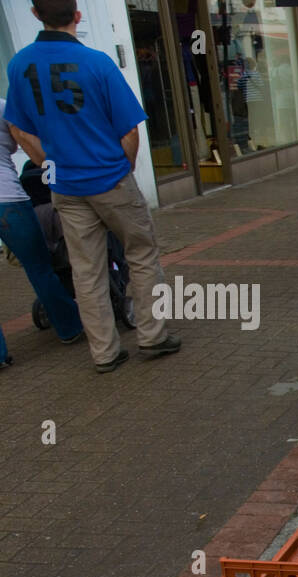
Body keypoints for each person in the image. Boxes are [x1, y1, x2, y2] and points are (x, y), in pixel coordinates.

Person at [4, 0, 178, 374]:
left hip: (65, 186)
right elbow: (129, 128)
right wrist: (124, 168)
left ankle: (105, 352)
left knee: (86, 270)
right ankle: (152, 336)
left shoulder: (18, 65)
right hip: (109, 178)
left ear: (36, 15)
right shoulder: (98, 62)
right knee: (142, 253)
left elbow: (19, 128)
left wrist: (46, 164)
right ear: (77, 15)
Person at [2, 97, 86, 367]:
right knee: (40, 268)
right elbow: (24, 140)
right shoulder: (4, 106)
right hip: (9, 200)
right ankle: (69, 328)